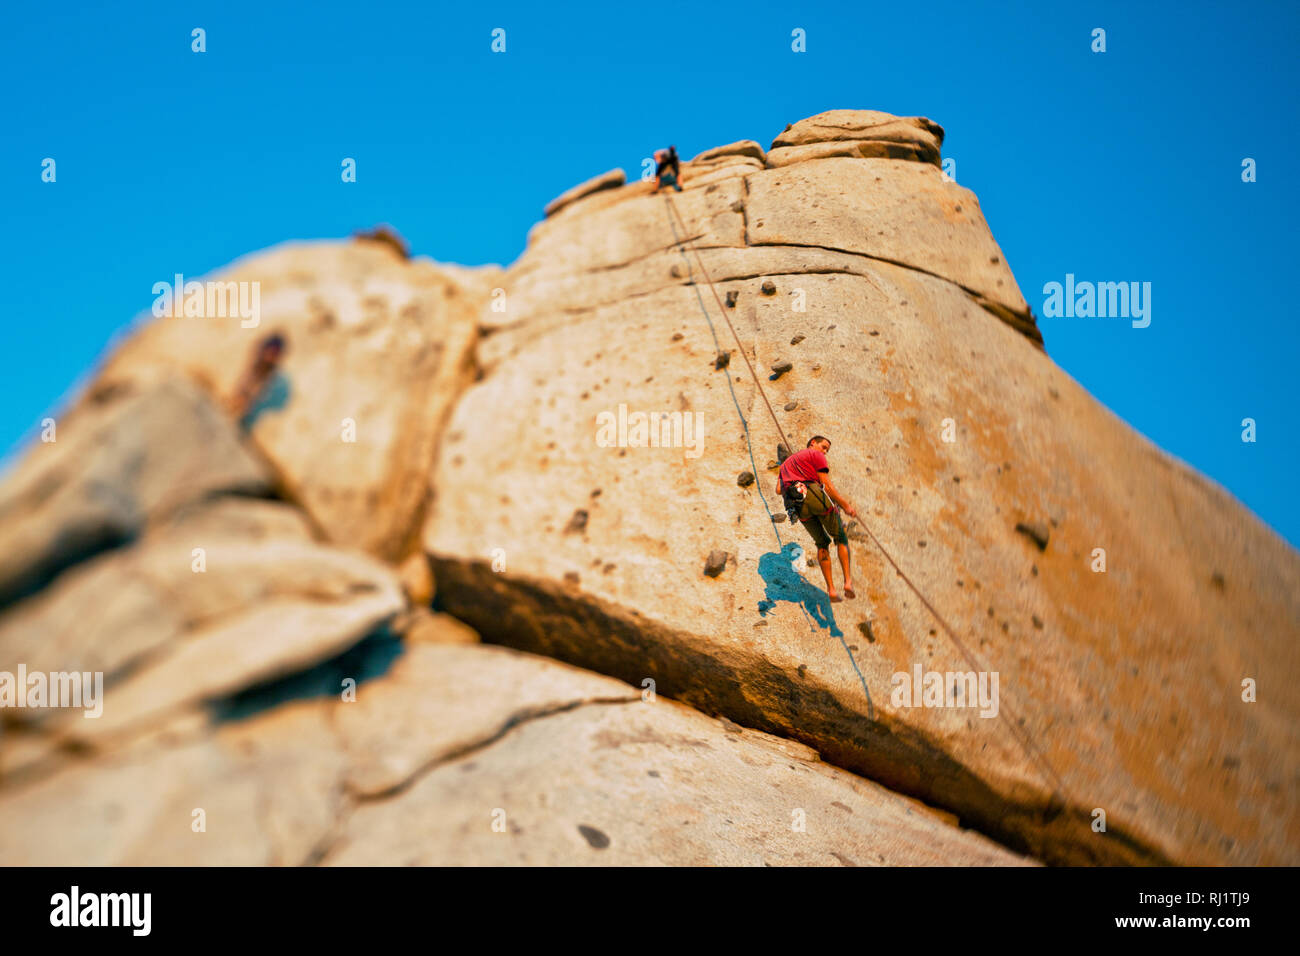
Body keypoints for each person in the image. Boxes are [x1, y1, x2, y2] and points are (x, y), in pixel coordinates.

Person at [777, 435, 859, 602]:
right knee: (840, 537)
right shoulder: (815, 455)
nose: (825, 451)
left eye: (826, 450)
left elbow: (779, 490)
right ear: (812, 443)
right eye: (824, 447)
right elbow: (827, 485)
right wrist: (845, 506)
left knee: (822, 544)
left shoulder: (784, 466)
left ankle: (831, 590)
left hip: (799, 508)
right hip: (814, 495)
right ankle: (848, 582)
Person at [229, 331, 287, 428]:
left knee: (250, 395)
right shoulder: (258, 362)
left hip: (250, 406)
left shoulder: (270, 373)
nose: (271, 356)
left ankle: (239, 414)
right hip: (255, 375)